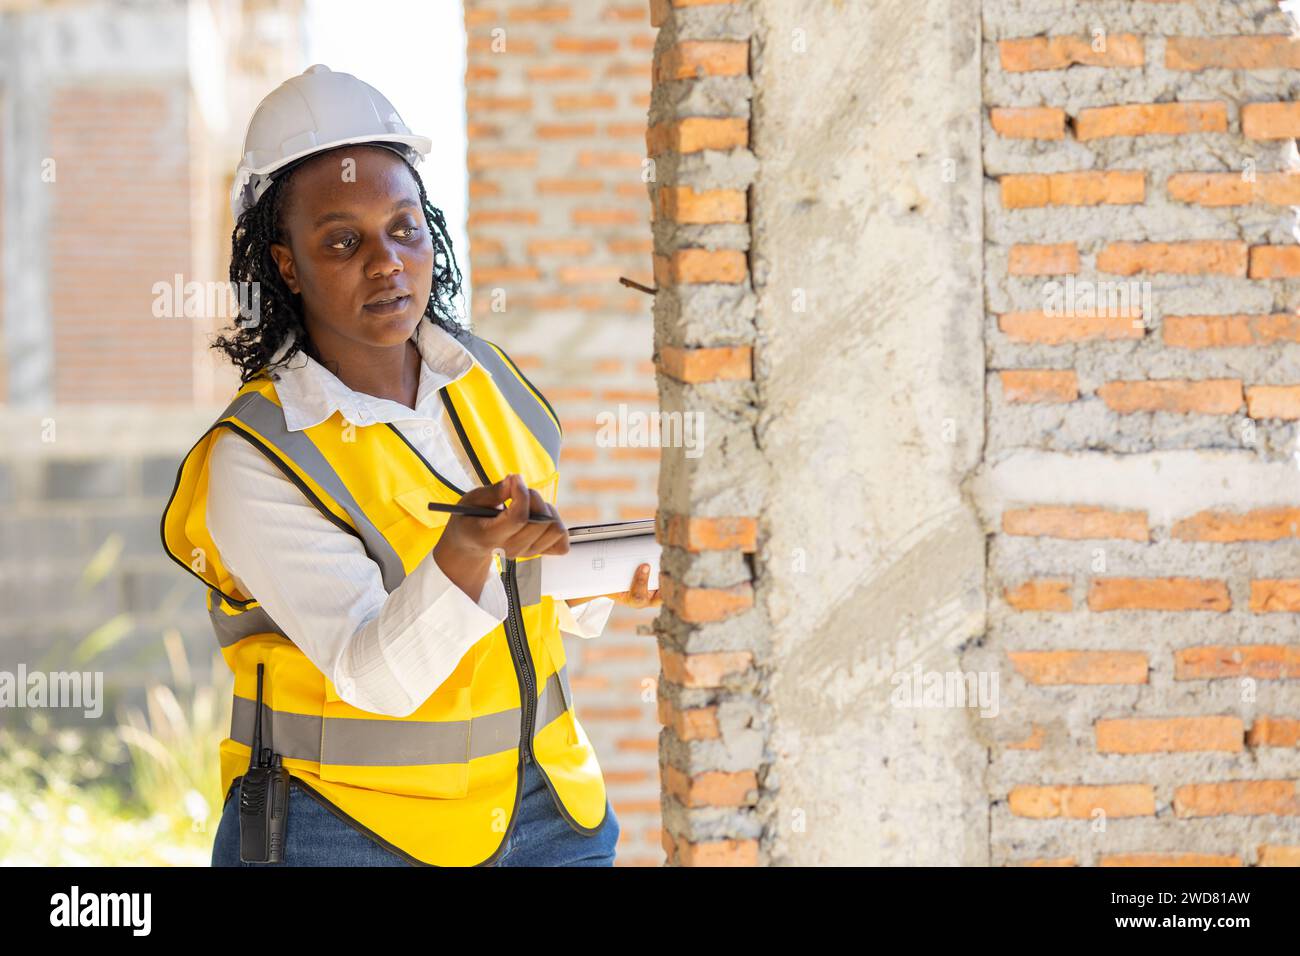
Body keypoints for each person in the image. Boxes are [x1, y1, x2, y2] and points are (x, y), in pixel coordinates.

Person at [159, 65, 659, 867]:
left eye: (405, 225)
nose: (388, 260)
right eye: (344, 240)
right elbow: (376, 678)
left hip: (547, 811)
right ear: (287, 267)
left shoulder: (487, 382)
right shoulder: (258, 457)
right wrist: (464, 550)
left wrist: (591, 572)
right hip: (343, 831)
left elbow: (517, 595)